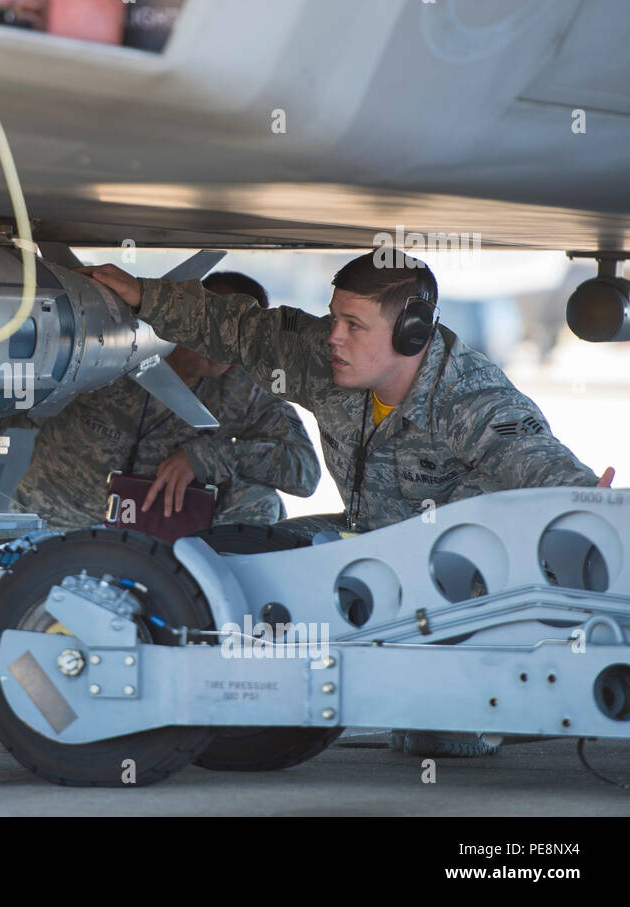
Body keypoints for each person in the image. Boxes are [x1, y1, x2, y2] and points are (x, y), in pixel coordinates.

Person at [83, 248, 613, 757]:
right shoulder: (328, 358)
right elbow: (241, 327)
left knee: (439, 735)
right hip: (367, 547)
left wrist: (591, 502)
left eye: (354, 326)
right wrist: (143, 295)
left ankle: (456, 694)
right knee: (220, 558)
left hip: (446, 591)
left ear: (411, 334)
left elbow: (535, 461)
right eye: (334, 318)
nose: (334, 337)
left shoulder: (469, 399)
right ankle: (217, 691)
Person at [10, 272, 320, 530]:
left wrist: (208, 458)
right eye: (208, 324)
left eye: (230, 335)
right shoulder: (104, 354)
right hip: (61, 526)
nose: (214, 340)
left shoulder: (243, 392)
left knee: (258, 501)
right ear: (181, 318)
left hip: (164, 544)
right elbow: (7, 406)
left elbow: (304, 474)